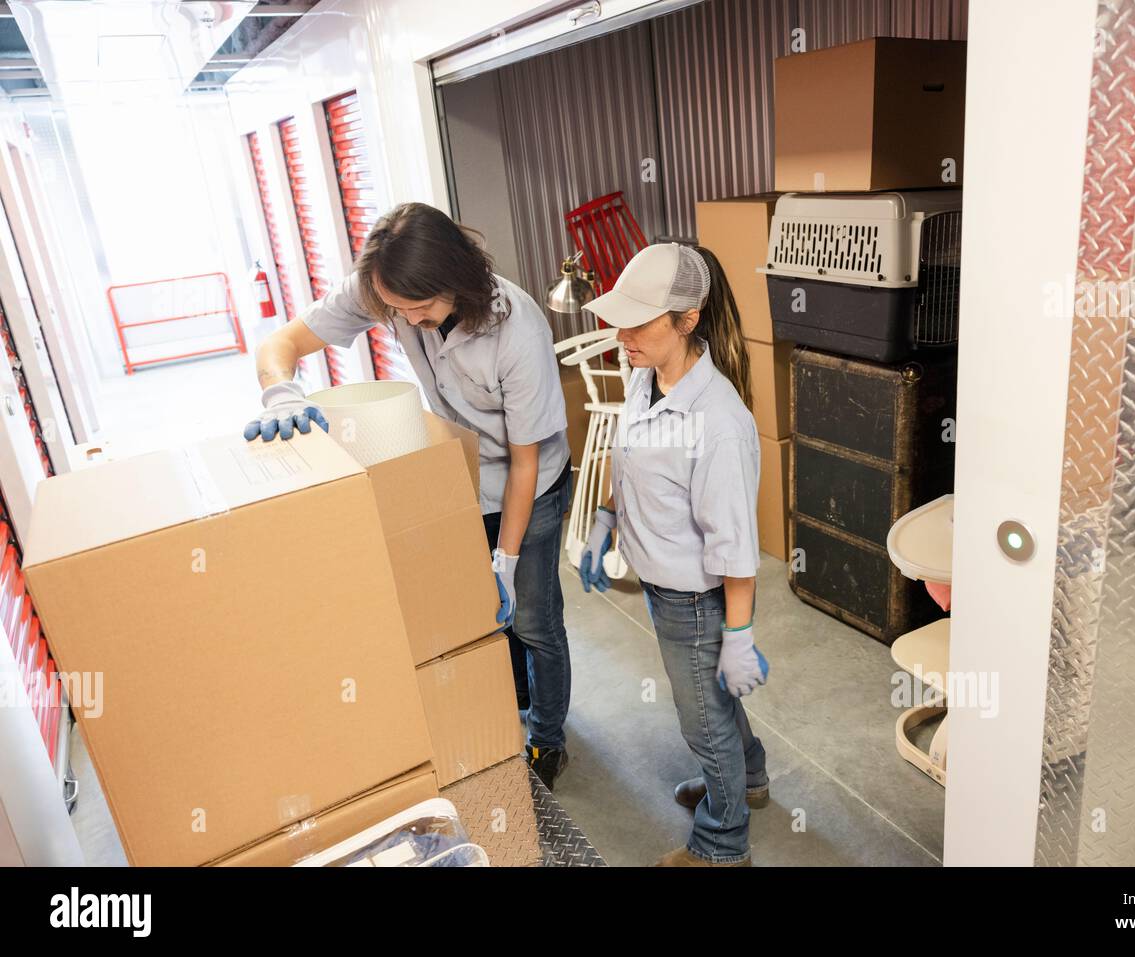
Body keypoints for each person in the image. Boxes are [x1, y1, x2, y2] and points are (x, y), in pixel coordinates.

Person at [243, 202, 573, 789]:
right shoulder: (382, 291)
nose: (405, 318)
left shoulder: (516, 327)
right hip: (462, 477)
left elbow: (525, 462)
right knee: (490, 618)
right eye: (394, 309)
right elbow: (281, 343)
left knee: (535, 620)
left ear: (458, 280)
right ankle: (514, 699)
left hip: (531, 485)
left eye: (418, 307)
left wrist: (508, 556)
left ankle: (548, 740)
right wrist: (282, 394)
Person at [579, 242, 770, 866]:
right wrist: (609, 514)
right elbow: (631, 459)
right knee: (716, 705)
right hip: (662, 586)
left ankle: (721, 842)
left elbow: (736, 548)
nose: (621, 334)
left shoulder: (720, 423)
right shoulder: (645, 379)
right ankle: (750, 779)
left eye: (638, 322)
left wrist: (737, 636)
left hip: (695, 599)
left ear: (687, 319)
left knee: (704, 724)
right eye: (620, 318)